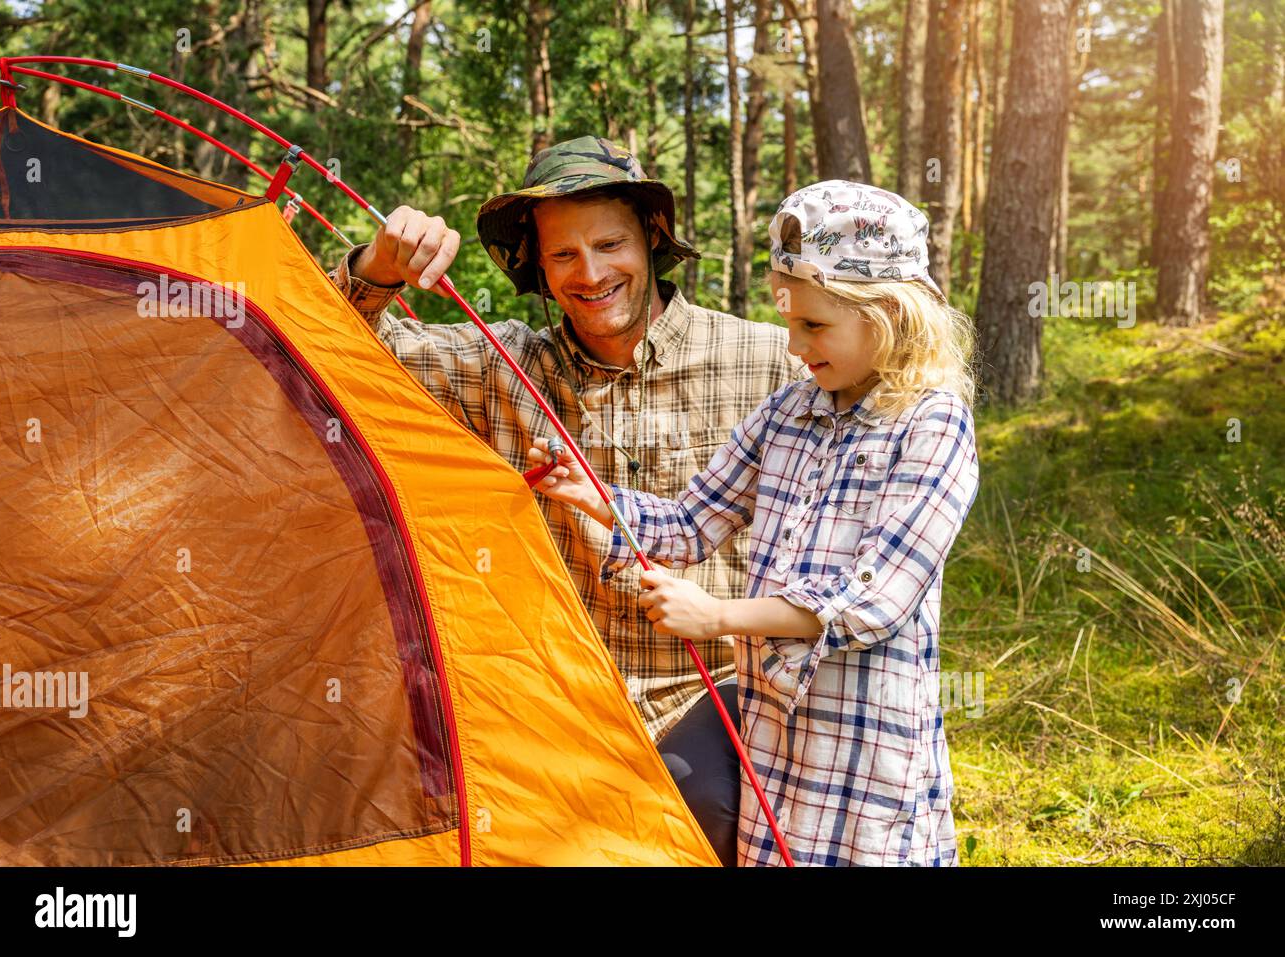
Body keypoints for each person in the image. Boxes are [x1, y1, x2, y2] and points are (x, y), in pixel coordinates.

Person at [528, 180, 981, 866]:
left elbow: (876, 600)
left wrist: (719, 617)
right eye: (792, 322)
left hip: (862, 747)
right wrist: (591, 494)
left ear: (888, 313)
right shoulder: (788, 413)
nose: (794, 344)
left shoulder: (932, 423)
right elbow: (689, 521)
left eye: (814, 325)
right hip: (776, 735)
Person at [328, 136, 805, 742]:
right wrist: (378, 267)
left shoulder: (769, 364)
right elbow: (340, 352)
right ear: (539, 266)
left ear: (652, 237)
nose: (591, 273)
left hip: (719, 702)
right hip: (556, 715)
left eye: (610, 245)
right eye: (564, 255)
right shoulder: (501, 365)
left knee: (708, 804)